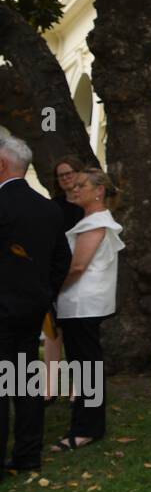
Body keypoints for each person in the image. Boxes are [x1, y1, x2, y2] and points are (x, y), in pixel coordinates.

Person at [0, 128, 72, 473]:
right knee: (23, 379)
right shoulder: (48, 209)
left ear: (1, 165)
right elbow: (62, 259)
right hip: (32, 308)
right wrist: (44, 292)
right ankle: (28, 456)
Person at [49, 167, 124, 451]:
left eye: (81, 185)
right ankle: (85, 424)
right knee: (83, 366)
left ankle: (88, 428)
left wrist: (51, 288)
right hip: (79, 304)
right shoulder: (90, 220)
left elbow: (78, 266)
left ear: (99, 191)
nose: (74, 189)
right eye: (73, 185)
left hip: (84, 304)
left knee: (87, 367)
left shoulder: (96, 222)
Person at [44, 157, 85, 402]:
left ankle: (78, 388)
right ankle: (49, 387)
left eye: (69, 173)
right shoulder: (54, 206)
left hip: (79, 280)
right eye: (61, 175)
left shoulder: (87, 206)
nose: (66, 178)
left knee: (77, 338)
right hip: (56, 274)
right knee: (52, 333)